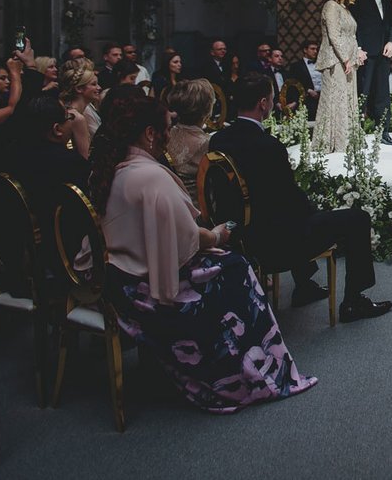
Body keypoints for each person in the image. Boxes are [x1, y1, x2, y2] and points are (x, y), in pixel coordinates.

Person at [88, 94, 316, 412]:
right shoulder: (149, 176)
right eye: (166, 128)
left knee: (229, 264)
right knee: (237, 269)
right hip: (143, 292)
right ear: (150, 133)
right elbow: (187, 241)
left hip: (116, 279)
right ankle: (247, 376)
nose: (170, 135)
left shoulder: (110, 166)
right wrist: (218, 234)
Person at [210, 73, 392, 320]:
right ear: (263, 103)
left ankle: (305, 286)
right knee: (357, 218)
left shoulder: (218, 141)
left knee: (293, 212)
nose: (273, 103)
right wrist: (315, 211)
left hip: (239, 235)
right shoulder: (269, 146)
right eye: (272, 99)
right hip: (274, 244)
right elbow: (290, 200)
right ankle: (353, 302)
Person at [314, 0, 365, 154]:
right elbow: (334, 36)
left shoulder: (344, 8)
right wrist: (345, 59)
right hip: (335, 59)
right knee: (337, 99)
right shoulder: (331, 6)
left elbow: (350, 36)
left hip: (348, 60)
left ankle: (348, 139)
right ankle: (333, 141)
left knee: (348, 98)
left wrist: (357, 53)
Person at [351, 0, 392, 145]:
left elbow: (391, 19)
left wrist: (391, 41)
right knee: (362, 92)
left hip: (383, 48)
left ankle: (383, 132)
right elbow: (352, 21)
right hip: (364, 50)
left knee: (382, 93)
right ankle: (358, 133)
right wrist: (357, 48)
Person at [164, 79, 214, 201]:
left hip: (168, 199)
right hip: (194, 205)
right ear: (206, 109)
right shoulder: (206, 143)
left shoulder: (166, 133)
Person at [60, 58, 101, 158]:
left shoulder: (69, 109)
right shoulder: (77, 118)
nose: (99, 88)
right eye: (94, 84)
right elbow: (85, 156)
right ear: (79, 89)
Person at [286, 43, 322, 120]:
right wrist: (308, 90)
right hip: (306, 100)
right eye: (312, 49)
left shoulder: (321, 64)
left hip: (322, 99)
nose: (315, 51)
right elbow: (293, 84)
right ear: (305, 50)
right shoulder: (296, 66)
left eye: (316, 49)